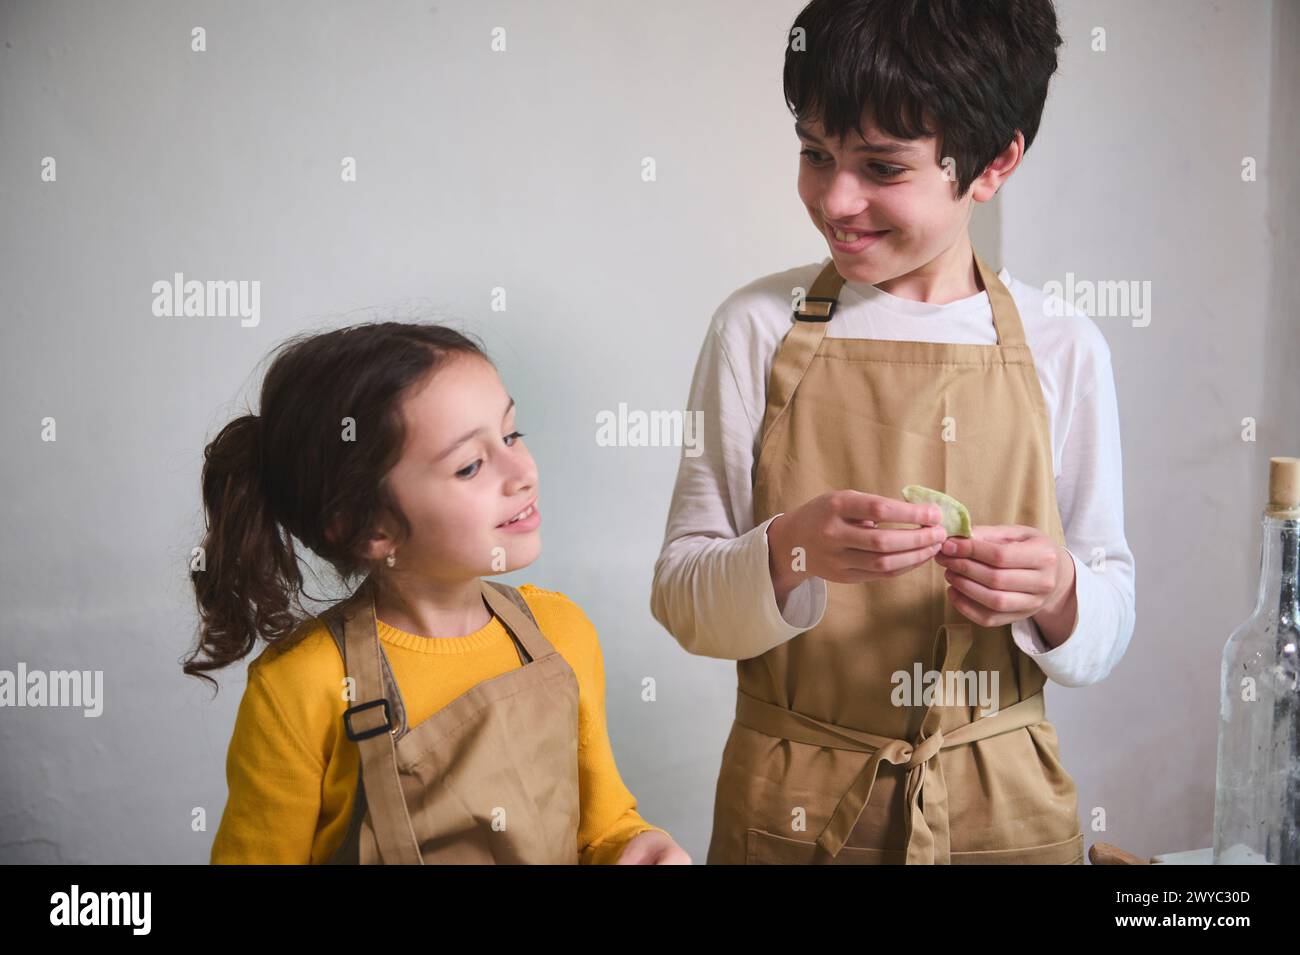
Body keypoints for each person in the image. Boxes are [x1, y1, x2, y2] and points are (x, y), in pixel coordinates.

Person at [651, 0, 1135, 864]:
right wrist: (790, 548)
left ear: (993, 163)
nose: (837, 199)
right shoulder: (757, 329)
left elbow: (1107, 623)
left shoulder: (1065, 346)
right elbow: (684, 599)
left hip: (1003, 807)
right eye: (815, 153)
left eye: (881, 166)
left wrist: (1058, 589)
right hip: (791, 806)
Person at [187, 321, 687, 864]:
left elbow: (603, 827)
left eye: (512, 434)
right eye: (469, 465)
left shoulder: (561, 631)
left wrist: (637, 849)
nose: (521, 471)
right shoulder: (300, 686)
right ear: (366, 526)